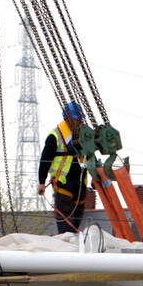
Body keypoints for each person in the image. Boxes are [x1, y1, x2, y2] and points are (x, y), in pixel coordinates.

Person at [38, 100, 89, 235]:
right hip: (63, 183)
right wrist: (41, 182)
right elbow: (45, 159)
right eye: (77, 119)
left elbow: (90, 158)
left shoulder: (83, 136)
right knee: (65, 223)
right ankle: (67, 245)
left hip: (80, 184)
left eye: (80, 120)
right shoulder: (55, 136)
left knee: (77, 220)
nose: (79, 122)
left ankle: (74, 243)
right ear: (68, 118)